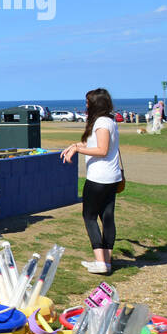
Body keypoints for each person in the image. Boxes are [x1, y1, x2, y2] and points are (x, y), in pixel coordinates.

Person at [62, 88, 122, 275]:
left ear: (96, 104)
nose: (86, 105)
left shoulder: (102, 123)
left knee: (89, 217)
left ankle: (100, 262)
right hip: (111, 178)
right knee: (107, 217)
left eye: (88, 102)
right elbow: (97, 145)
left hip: (99, 178)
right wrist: (77, 145)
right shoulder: (109, 121)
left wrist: (79, 150)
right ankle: (106, 261)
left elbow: (102, 150)